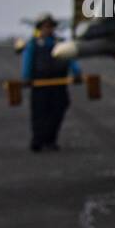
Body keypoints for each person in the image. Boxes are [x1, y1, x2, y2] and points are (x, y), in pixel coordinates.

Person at [21, 13, 81, 152]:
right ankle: (37, 140)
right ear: (40, 28)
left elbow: (70, 59)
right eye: (45, 27)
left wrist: (77, 73)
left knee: (58, 110)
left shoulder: (60, 43)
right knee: (39, 113)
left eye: (50, 26)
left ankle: (50, 140)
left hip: (59, 83)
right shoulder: (33, 44)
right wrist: (26, 78)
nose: (48, 29)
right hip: (40, 84)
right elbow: (28, 61)